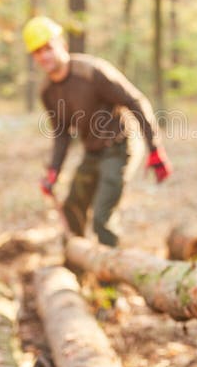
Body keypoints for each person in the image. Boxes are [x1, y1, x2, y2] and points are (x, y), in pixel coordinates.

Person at [22, 16, 171, 247]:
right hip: (92, 151)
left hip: (121, 146)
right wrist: (54, 170)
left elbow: (136, 101)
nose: (44, 56)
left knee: (102, 218)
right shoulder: (47, 91)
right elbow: (62, 133)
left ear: (62, 44)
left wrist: (155, 149)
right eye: (38, 52)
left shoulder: (92, 73)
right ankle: (76, 274)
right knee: (73, 209)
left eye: (48, 48)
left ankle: (110, 278)